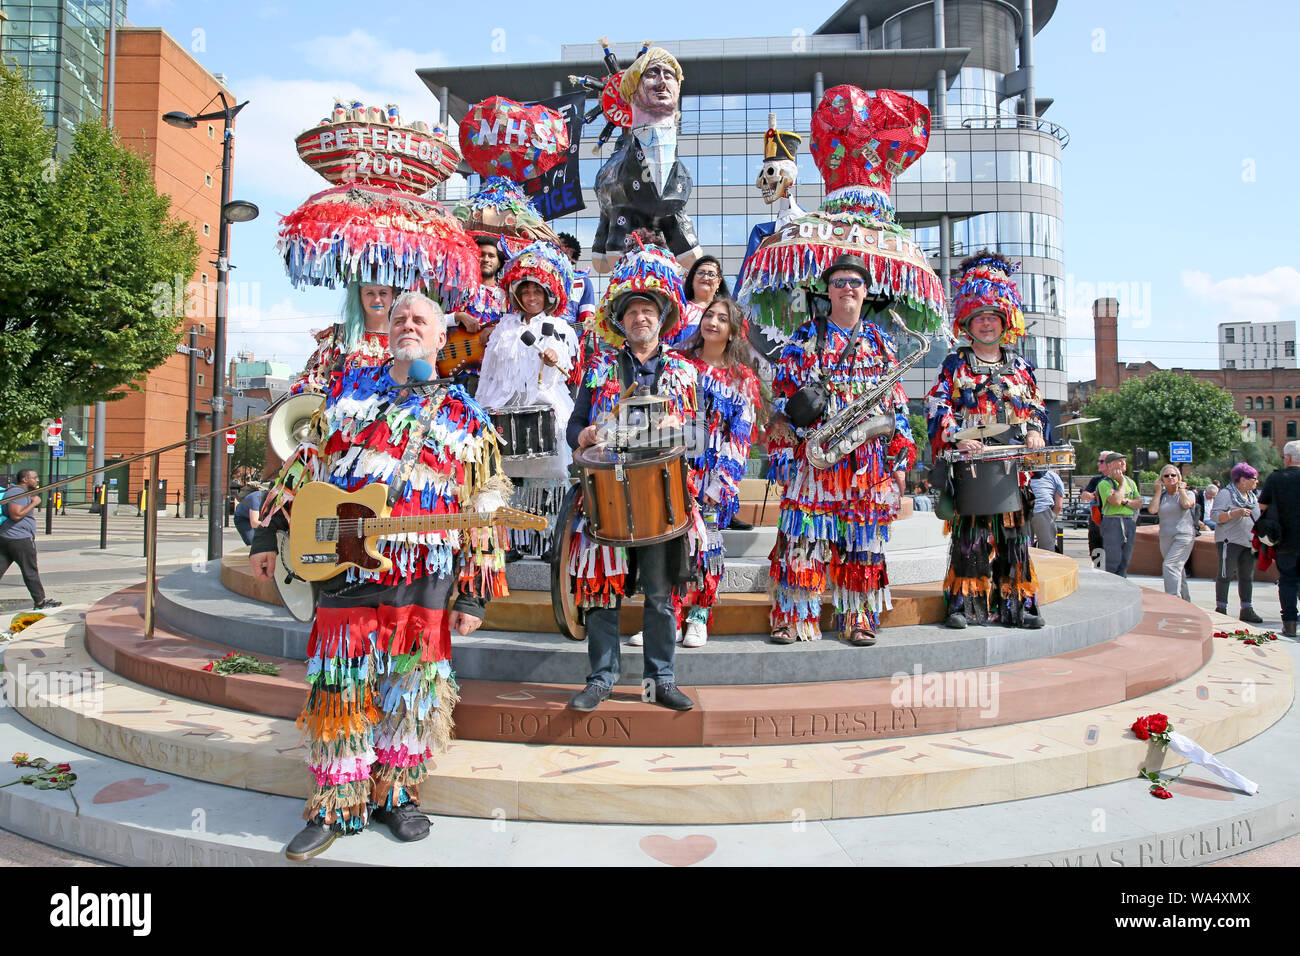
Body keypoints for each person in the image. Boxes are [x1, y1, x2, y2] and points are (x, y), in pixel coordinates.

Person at [250, 291, 511, 860]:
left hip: (425, 577)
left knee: (412, 688)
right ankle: (336, 802)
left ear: (443, 338)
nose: (408, 325)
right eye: (400, 318)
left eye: (421, 320)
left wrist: (474, 595)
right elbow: (304, 466)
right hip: (346, 566)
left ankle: (396, 795)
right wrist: (267, 534)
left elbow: (485, 508)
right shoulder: (346, 395)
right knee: (340, 685)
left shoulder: (469, 418)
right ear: (385, 331)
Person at [563, 243, 700, 711]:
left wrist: (675, 428)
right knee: (602, 591)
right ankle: (601, 679)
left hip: (664, 499)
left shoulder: (683, 371)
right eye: (632, 311)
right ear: (619, 320)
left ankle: (660, 679)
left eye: (648, 309)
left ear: (662, 319)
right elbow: (573, 429)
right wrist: (588, 438)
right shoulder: (598, 369)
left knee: (660, 596)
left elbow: (701, 438)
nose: (641, 317)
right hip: (605, 497)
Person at [768, 253, 916, 646]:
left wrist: (899, 461)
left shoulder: (882, 342)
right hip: (814, 458)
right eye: (839, 282)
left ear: (866, 292)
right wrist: (787, 453)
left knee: (863, 544)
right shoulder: (805, 336)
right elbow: (781, 399)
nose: (847, 288)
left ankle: (858, 616)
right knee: (803, 541)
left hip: (867, 462)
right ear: (828, 292)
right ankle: (794, 616)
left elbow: (897, 406)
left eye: (855, 282)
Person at [925, 251, 1048, 629]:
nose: (987, 324)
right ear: (968, 322)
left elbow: (1037, 406)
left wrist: (1034, 430)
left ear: (1004, 322)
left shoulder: (1022, 366)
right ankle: (964, 605)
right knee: (971, 540)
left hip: (1012, 469)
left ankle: (1018, 606)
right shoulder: (955, 364)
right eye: (980, 317)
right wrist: (957, 436)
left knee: (1014, 539)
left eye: (993, 318)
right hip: (972, 469)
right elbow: (937, 403)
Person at [475, 242, 577, 559]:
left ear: (549, 295)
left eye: (538, 292)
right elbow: (488, 372)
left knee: (548, 476)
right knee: (511, 479)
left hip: (545, 408)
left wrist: (552, 357)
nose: (532, 297)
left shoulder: (558, 326)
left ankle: (549, 539)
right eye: (526, 291)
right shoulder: (503, 328)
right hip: (505, 409)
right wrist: (481, 408)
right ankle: (517, 541)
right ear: (516, 293)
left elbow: (565, 362)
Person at [673, 297, 763, 647]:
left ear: (733, 331)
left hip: (711, 474)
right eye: (708, 315)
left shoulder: (743, 379)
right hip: (674, 468)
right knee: (670, 543)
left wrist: (721, 480)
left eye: (721, 319)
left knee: (706, 544)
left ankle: (698, 615)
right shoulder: (679, 364)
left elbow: (741, 437)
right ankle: (668, 616)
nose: (712, 322)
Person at [591, 46, 702, 271]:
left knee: (690, 253)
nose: (662, 81)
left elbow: (692, 261)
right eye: (652, 74)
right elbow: (606, 265)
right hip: (622, 210)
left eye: (668, 75)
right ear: (632, 92)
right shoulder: (616, 171)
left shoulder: (680, 177)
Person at [0, 470, 60, 610]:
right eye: (34, 478)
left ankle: (40, 601)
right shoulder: (17, 493)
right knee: (30, 571)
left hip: (8, 537)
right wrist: (35, 503)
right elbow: (16, 514)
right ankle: (40, 603)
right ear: (25, 479)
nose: (37, 480)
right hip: (19, 539)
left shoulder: (17, 492)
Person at [1210, 462, 1262, 623]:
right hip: (1229, 540)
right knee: (1225, 574)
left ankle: (1246, 608)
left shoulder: (1252, 497)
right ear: (1243, 480)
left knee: (1247, 576)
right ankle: (1221, 608)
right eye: (1254, 478)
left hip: (1248, 542)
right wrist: (1234, 513)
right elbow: (1215, 516)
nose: (1257, 481)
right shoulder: (1226, 494)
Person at [1259, 440, 1300, 637]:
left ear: (1289, 458)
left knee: (1288, 580)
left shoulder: (1276, 478)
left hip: (1286, 540)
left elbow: (1263, 506)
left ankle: (1290, 624)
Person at [1146, 464, 1196, 601]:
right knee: (1177, 570)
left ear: (1179, 477)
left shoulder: (1188, 493)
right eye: (1166, 476)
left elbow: (1187, 504)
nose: (1170, 478)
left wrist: (1181, 490)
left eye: (1173, 475)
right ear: (1161, 479)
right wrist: (1157, 491)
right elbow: (1152, 510)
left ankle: (1173, 600)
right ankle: (1186, 602)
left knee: (1170, 565)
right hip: (1165, 536)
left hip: (1183, 535)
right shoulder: (1162, 496)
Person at [1098, 451, 1143, 577]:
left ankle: (1122, 587)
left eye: (1124, 461)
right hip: (1113, 522)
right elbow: (1116, 501)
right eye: (1119, 461)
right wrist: (1122, 483)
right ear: (1110, 465)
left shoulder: (1131, 482)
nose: (1123, 463)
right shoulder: (1105, 483)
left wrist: (1125, 500)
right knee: (1113, 560)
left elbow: (1139, 503)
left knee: (1125, 560)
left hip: (1129, 521)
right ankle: (1110, 588)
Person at [670, 255, 729, 346]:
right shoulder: (678, 309)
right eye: (701, 273)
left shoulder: (728, 311)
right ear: (692, 279)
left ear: (718, 282)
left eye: (711, 274)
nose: (705, 278)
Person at [1079, 451, 1115, 568]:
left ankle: (1112, 577)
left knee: (1112, 554)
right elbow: (1085, 495)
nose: (1098, 463)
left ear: (1110, 463)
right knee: (1096, 550)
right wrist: (1088, 495)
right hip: (1096, 521)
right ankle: (1099, 572)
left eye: (1101, 461)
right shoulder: (1096, 480)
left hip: (1112, 522)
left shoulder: (1121, 480)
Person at [1029, 468, 1065, 552]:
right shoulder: (1054, 477)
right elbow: (1058, 505)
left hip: (1023, 511)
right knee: (1047, 550)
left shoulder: (1024, 474)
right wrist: (1052, 517)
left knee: (1024, 549)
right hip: (1043, 510)